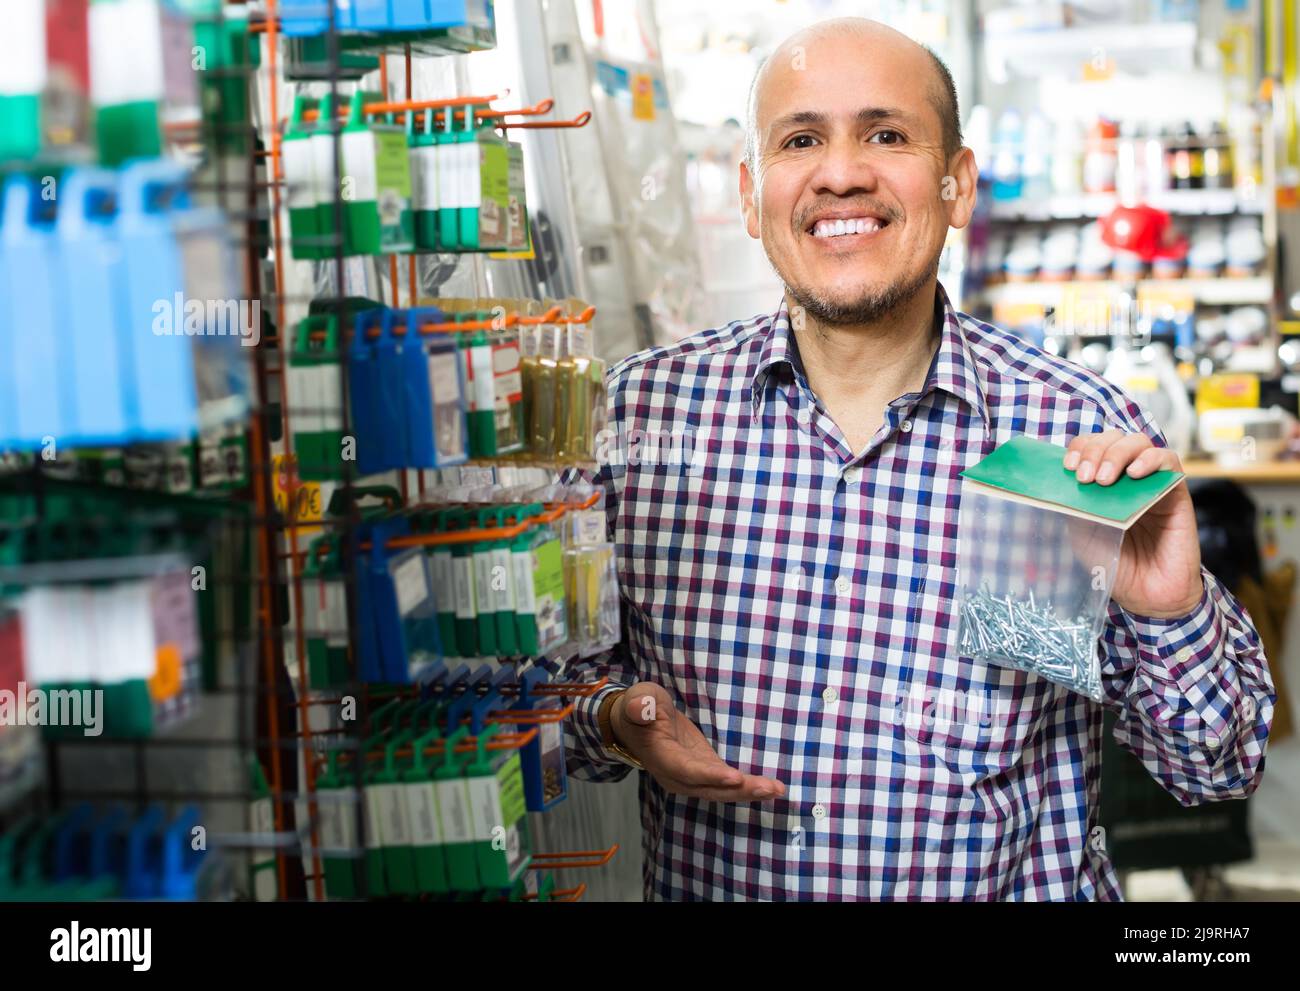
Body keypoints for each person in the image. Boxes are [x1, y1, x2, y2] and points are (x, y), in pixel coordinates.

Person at [563, 16, 1275, 900]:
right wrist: (612, 719)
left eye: (887, 134)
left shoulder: (1060, 433)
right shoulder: (637, 421)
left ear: (957, 184)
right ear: (752, 194)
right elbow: (540, 705)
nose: (841, 171)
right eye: (801, 139)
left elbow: (1219, 767)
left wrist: (1171, 612)